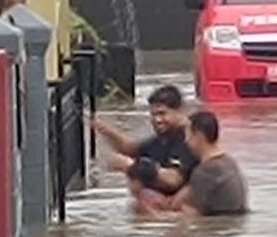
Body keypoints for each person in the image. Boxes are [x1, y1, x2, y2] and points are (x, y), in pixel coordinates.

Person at [95, 85, 197, 214]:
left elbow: (173, 179)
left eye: (162, 113)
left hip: (178, 211)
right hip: (163, 210)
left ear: (180, 111)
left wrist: (130, 166)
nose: (157, 120)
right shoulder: (163, 139)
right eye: (153, 115)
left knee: (146, 195)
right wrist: (106, 131)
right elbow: (130, 149)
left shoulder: (187, 139)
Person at [176, 111, 248, 217]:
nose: (186, 141)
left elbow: (193, 214)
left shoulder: (204, 171)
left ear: (198, 136)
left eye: (188, 136)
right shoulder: (229, 162)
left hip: (218, 227)